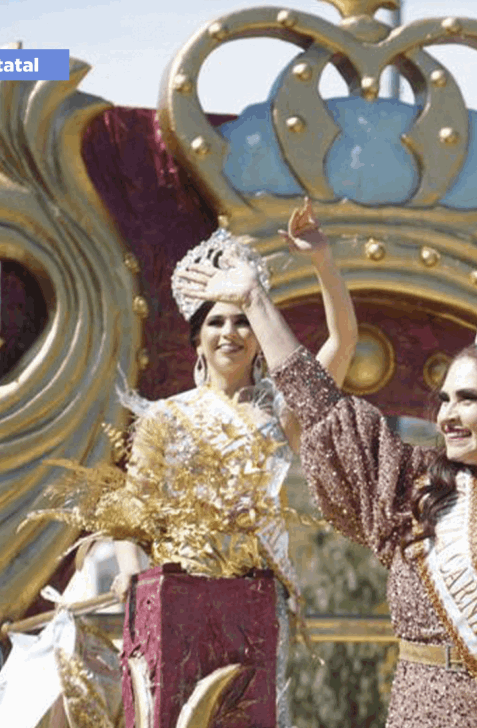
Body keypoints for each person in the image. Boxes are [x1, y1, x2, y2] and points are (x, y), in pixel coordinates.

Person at [174, 254, 477, 728]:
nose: (446, 416)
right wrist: (256, 301)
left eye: (468, 399)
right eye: (444, 400)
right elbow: (326, 413)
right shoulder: (418, 487)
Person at [111, 198, 358, 725]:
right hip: (175, 607)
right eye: (216, 322)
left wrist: (323, 261)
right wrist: (135, 589)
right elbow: (129, 524)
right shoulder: (163, 418)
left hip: (253, 606)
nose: (230, 332)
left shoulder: (281, 411)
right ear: (197, 338)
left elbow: (344, 341)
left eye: (243, 321)